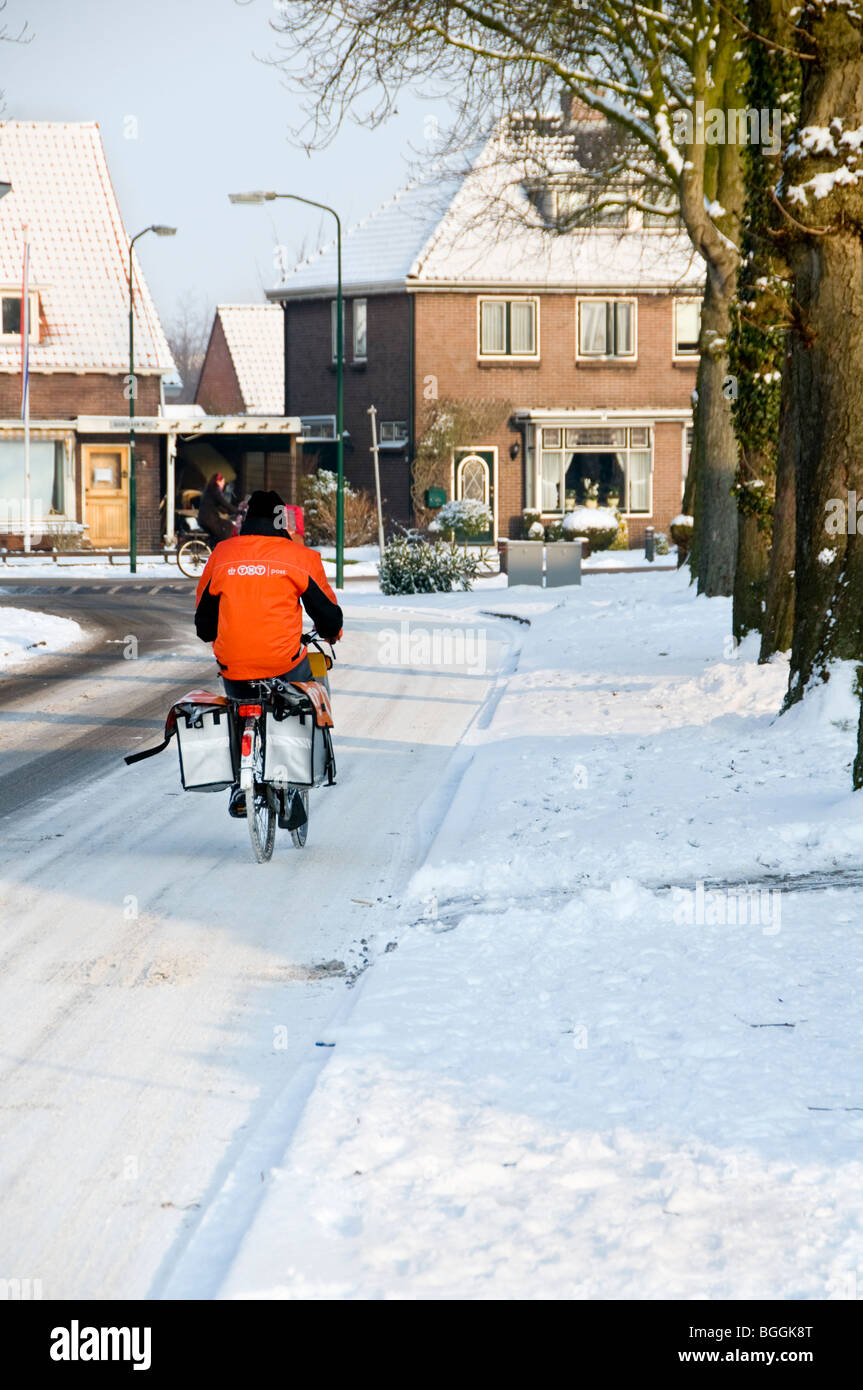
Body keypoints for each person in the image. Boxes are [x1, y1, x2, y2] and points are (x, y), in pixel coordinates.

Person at [194, 489, 342, 821]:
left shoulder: (222, 554)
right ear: (281, 521)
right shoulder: (297, 556)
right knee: (297, 698)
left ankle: (238, 783)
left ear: (245, 521)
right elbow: (328, 615)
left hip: (235, 663)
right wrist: (332, 633)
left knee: (237, 706)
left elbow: (204, 624)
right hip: (282, 661)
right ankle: (290, 788)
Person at [197, 472, 238, 542]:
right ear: (218, 481)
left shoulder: (210, 490)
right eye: (223, 482)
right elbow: (224, 503)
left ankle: (214, 547)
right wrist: (238, 511)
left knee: (217, 535)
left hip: (203, 519)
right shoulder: (215, 490)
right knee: (229, 525)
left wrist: (227, 511)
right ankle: (224, 546)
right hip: (209, 520)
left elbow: (218, 505)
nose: (224, 484)